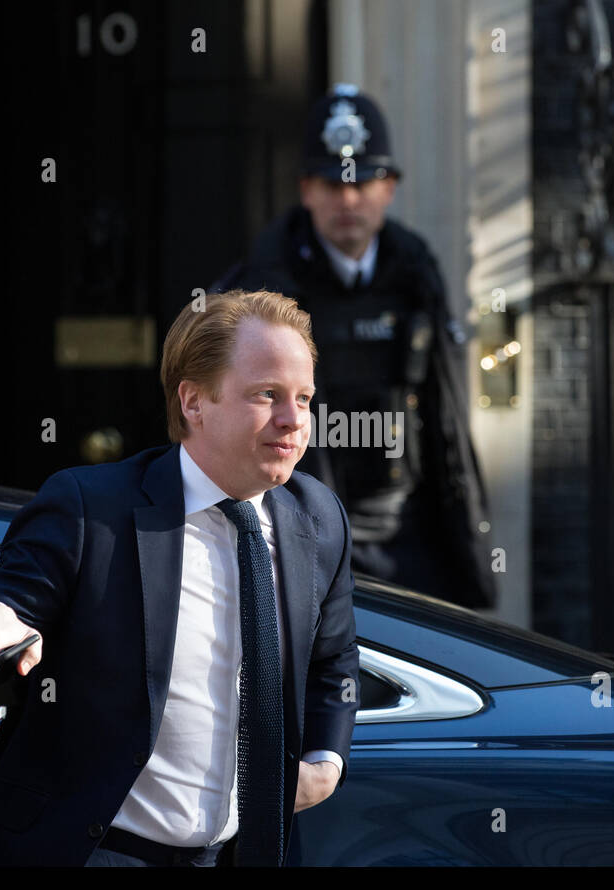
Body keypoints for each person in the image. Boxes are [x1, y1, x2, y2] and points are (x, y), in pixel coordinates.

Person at [0, 289, 360, 867]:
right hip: (98, 852)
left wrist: (326, 761)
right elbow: (13, 593)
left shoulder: (318, 516)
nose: (293, 419)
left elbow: (334, 659)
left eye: (303, 398)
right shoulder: (91, 506)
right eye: (266, 395)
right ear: (195, 400)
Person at [213, 83, 497, 610]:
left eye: (364, 181)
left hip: (410, 541)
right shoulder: (255, 290)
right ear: (305, 189)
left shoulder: (417, 278)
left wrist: (468, 555)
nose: (348, 199)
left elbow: (449, 421)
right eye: (331, 182)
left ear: (389, 187)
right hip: (297, 542)